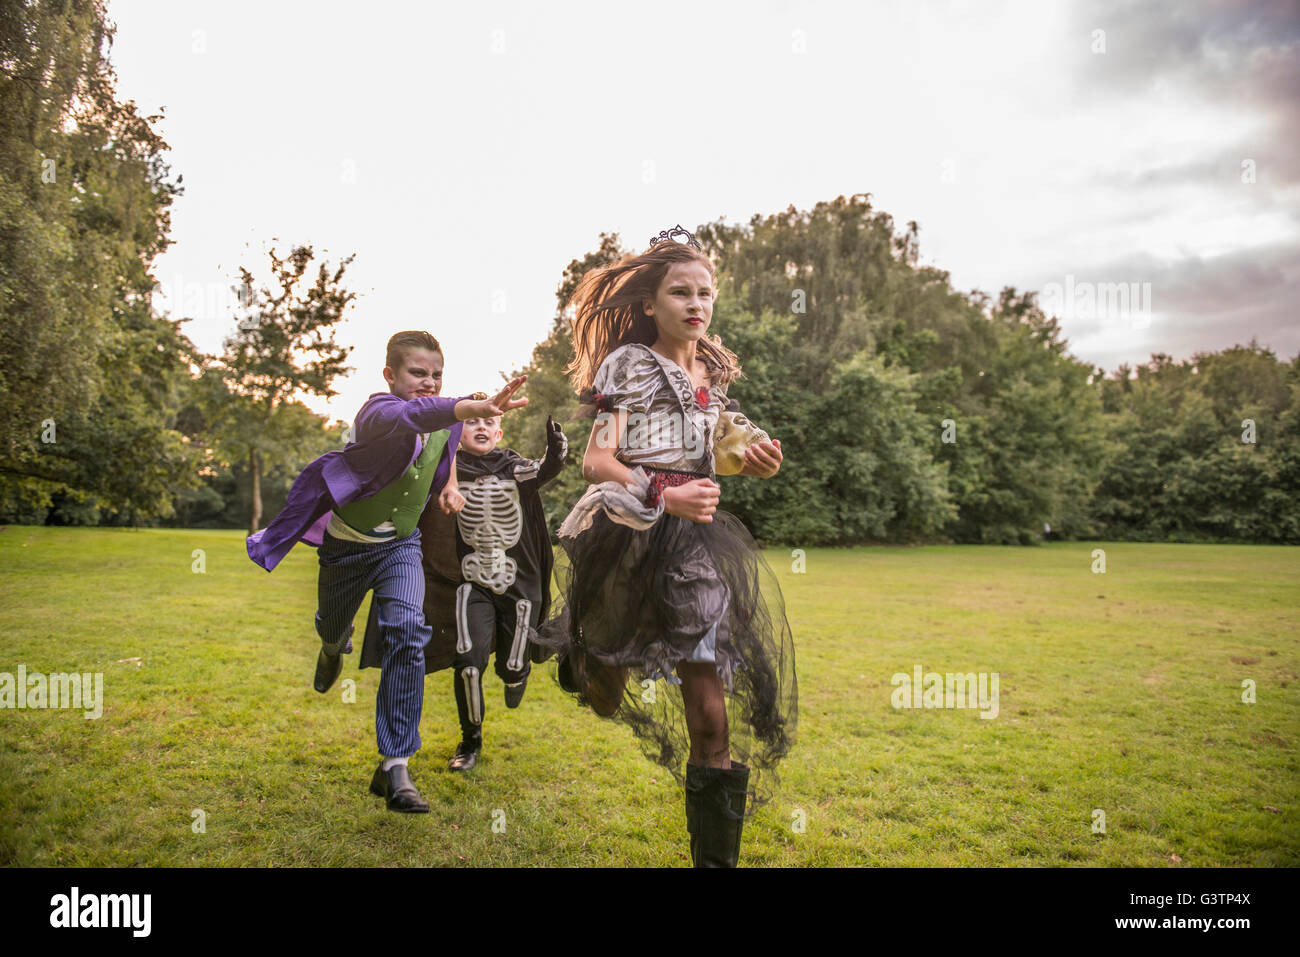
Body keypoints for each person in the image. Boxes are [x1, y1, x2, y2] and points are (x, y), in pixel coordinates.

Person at [534, 226, 797, 867]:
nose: (696, 303)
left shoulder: (712, 371)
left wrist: (756, 460)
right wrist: (663, 495)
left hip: (700, 550)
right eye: (680, 292)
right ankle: (580, 650)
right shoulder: (626, 365)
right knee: (603, 690)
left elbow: (724, 446)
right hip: (629, 533)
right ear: (651, 304)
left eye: (706, 293)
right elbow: (599, 461)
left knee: (708, 708)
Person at [246, 330, 527, 813]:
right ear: (390, 375)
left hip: (400, 548)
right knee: (334, 625)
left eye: (437, 375)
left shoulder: (448, 425)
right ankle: (333, 644)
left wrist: (449, 489)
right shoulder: (378, 411)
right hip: (347, 549)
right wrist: (465, 406)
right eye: (418, 372)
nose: (429, 382)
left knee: (407, 631)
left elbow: (443, 462)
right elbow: (412, 416)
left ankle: (395, 764)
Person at [357, 413, 568, 773]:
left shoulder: (513, 466)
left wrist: (556, 452)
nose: (482, 428)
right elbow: (416, 457)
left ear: (499, 433)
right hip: (472, 581)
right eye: (472, 422)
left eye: (489, 423)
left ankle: (516, 673)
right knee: (468, 664)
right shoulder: (447, 469)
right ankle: (470, 740)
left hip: (519, 580)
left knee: (512, 665)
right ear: (458, 431)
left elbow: (542, 470)